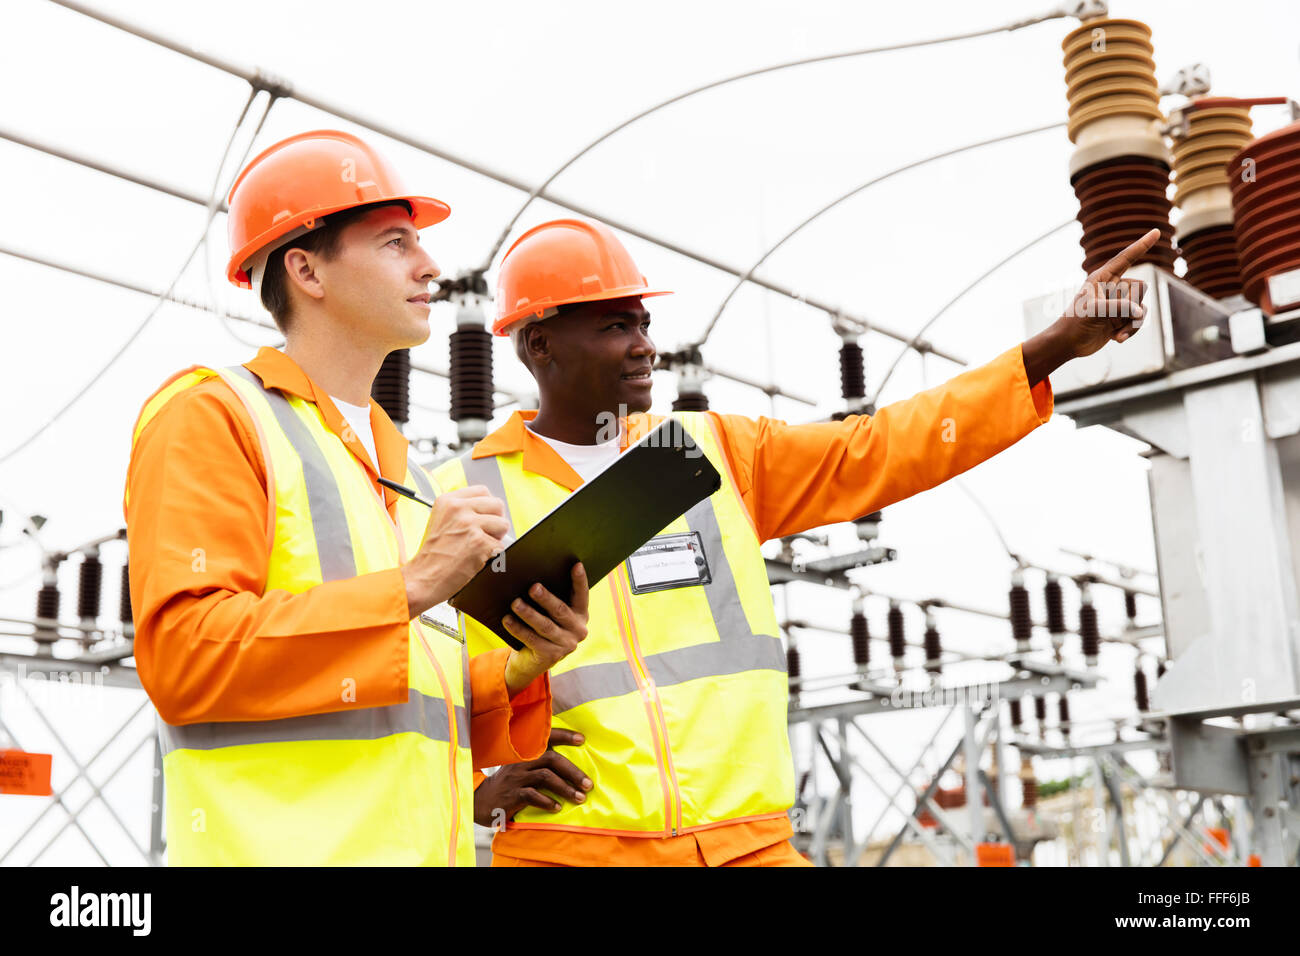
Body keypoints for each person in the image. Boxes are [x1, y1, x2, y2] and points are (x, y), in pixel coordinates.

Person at [432, 217, 1157, 867]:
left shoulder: (709, 455)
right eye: (615, 326)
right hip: (574, 854)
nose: (645, 346)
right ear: (540, 344)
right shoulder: (457, 495)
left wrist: (1053, 349)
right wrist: (474, 791)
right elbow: (406, 683)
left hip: (749, 845)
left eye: (643, 323)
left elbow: (880, 448)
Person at [123, 130, 590, 866]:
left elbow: (403, 697)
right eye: (396, 242)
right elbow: (186, 659)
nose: (430, 264)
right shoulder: (212, 415)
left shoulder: (408, 478)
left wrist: (518, 667)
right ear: (306, 269)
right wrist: (412, 585)